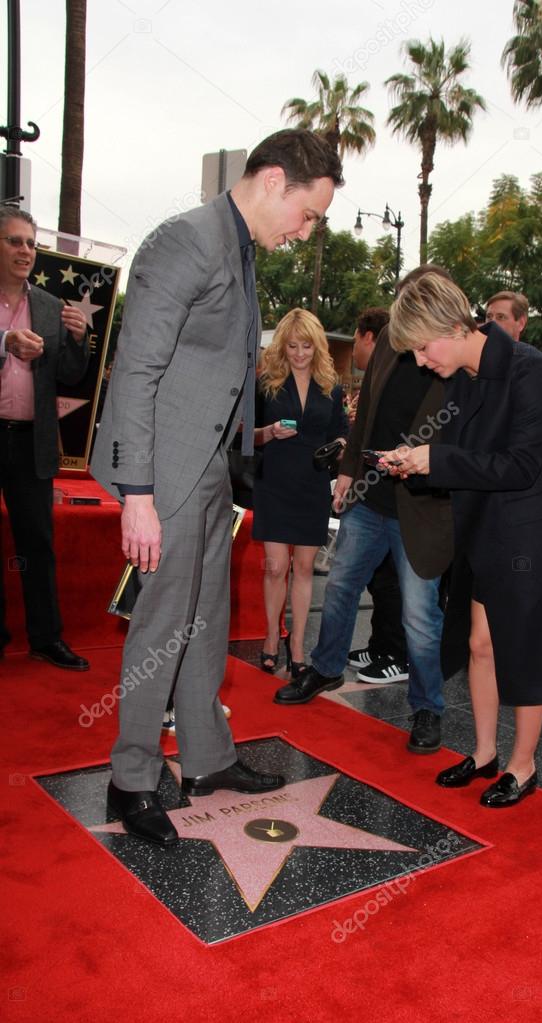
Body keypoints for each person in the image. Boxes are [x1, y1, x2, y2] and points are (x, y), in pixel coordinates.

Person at [90, 129, 343, 847]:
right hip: (165, 471)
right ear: (272, 180)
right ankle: (132, 775)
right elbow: (135, 370)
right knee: (161, 624)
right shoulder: (187, 241)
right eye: (309, 212)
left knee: (206, 617)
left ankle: (205, 758)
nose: (307, 229)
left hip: (210, 470)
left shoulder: (237, 249)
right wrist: (137, 491)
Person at [382, 272, 542, 807]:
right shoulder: (462, 376)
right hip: (492, 529)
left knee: (524, 651)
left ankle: (523, 765)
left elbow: (519, 464)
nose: (419, 360)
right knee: (480, 644)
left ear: (451, 325)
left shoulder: (529, 370)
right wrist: (413, 459)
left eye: (421, 346)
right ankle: (485, 753)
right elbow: (461, 454)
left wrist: (434, 459)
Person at [274, 267, 454, 756]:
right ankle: (326, 669)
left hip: (421, 508)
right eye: (401, 302)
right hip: (369, 498)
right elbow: (367, 413)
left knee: (420, 615)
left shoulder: (454, 362)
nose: (404, 313)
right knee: (341, 591)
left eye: (413, 303)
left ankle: (427, 708)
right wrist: (349, 472)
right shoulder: (391, 347)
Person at [0, 207, 90, 670]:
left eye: (30, 244)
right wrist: (4, 343)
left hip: (31, 441)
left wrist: (78, 340)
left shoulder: (52, 307)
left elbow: (71, 375)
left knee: (37, 542)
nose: (25, 251)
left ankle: (46, 637)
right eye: (14, 241)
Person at [252, 308, 347, 677]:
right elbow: (247, 436)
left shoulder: (331, 387)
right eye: (292, 346)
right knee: (276, 568)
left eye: (306, 346)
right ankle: (271, 636)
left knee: (305, 567)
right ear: (282, 346)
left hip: (311, 484)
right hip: (274, 482)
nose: (299, 353)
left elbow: (342, 432)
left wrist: (337, 444)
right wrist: (269, 431)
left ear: (317, 346)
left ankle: (297, 645)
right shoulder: (267, 384)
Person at [346, 305, 410, 684]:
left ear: (369, 337)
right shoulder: (383, 373)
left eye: (355, 339)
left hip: (399, 495)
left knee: (395, 583)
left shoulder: (401, 367)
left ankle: (398, 654)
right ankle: (382, 644)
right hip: (376, 491)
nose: (354, 348)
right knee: (382, 580)